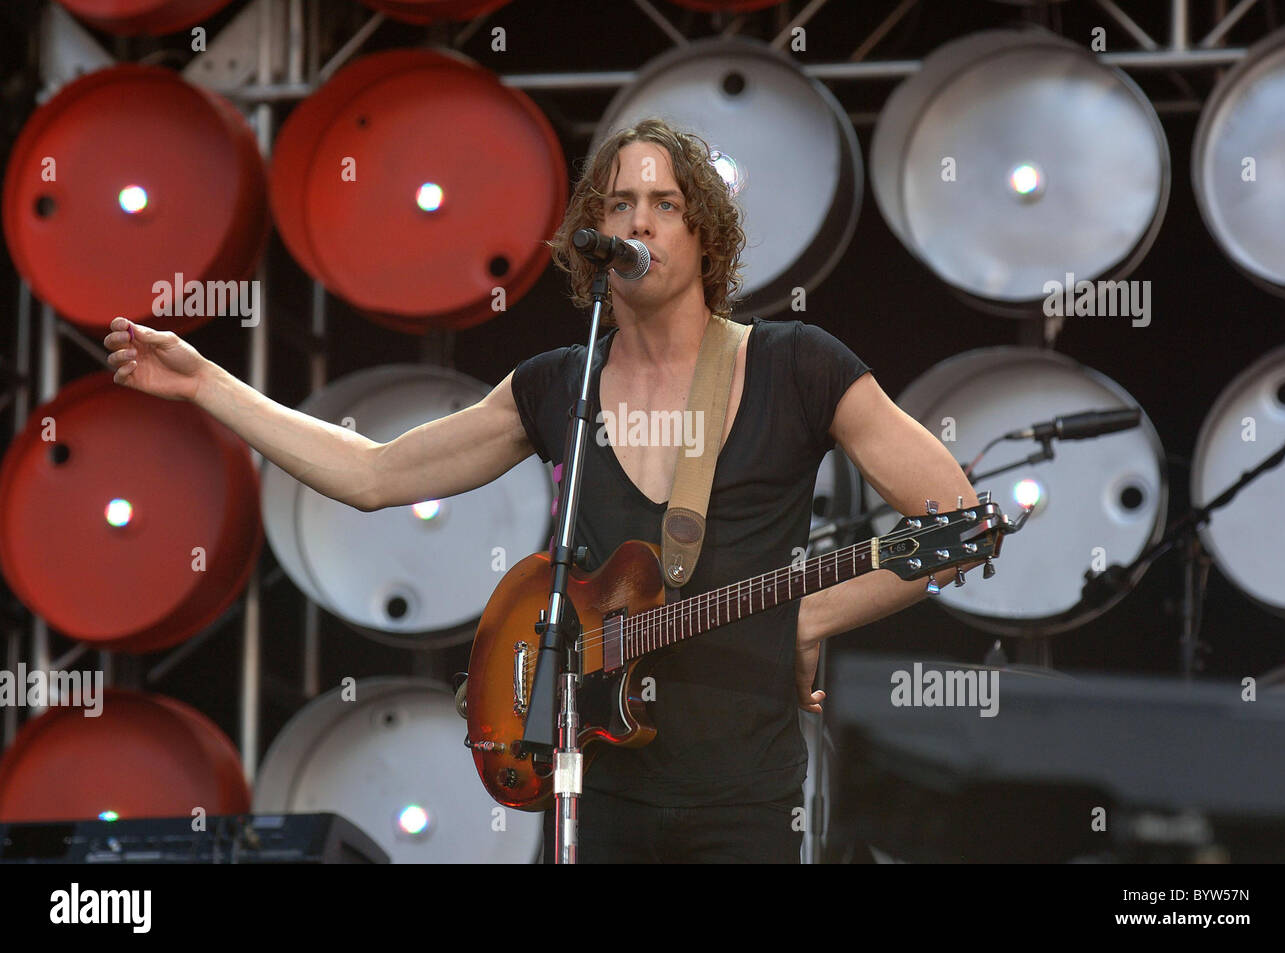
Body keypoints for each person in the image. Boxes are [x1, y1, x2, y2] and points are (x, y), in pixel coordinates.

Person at [103, 116, 978, 864]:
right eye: (620, 204)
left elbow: (956, 516)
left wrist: (805, 620)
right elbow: (372, 474)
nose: (640, 221)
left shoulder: (797, 364)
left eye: (665, 204)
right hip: (595, 784)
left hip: (746, 794)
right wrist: (209, 385)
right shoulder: (556, 385)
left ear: (705, 231)